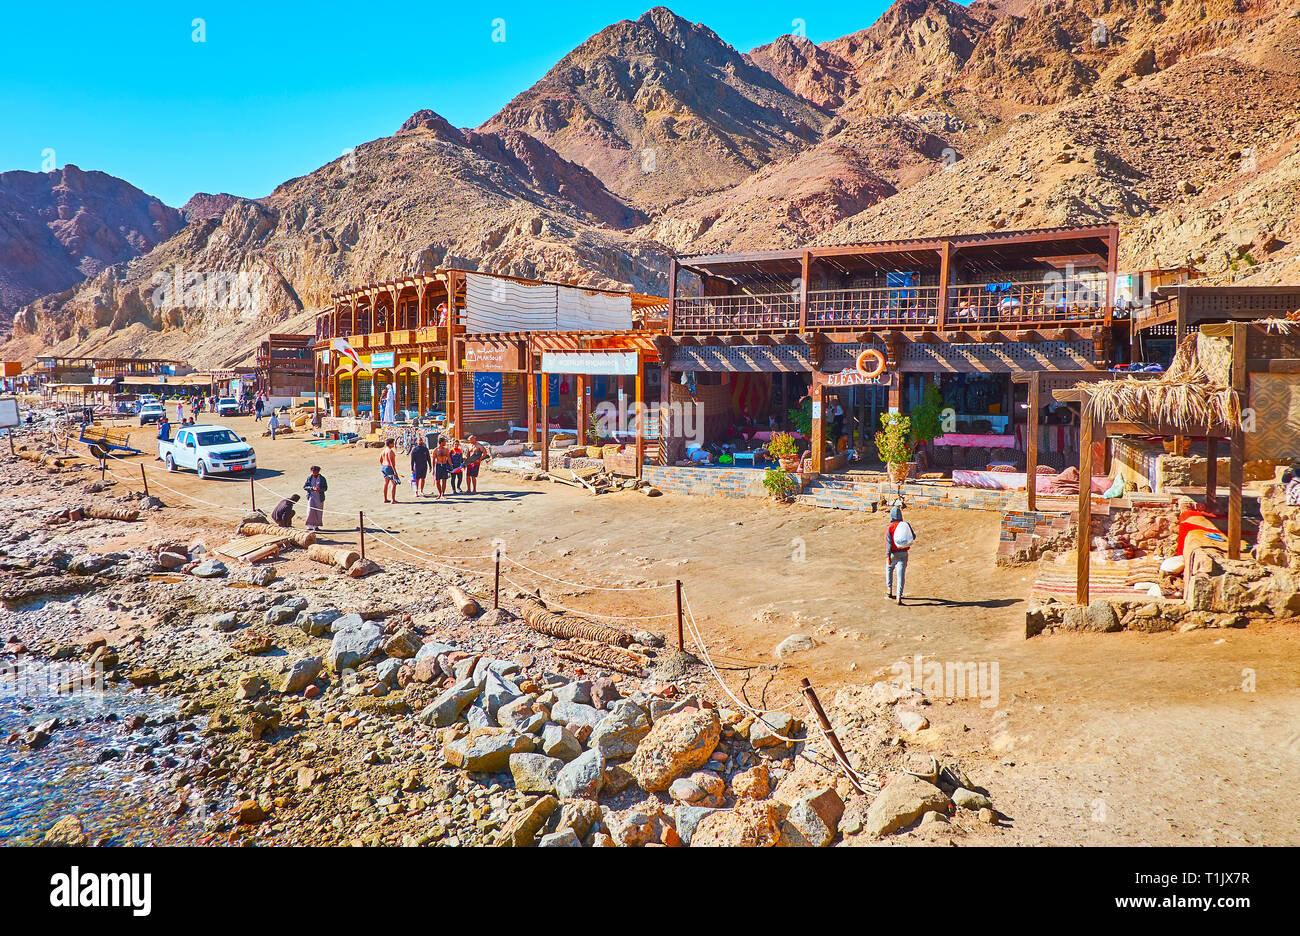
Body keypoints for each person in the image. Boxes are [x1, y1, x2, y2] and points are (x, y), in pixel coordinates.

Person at [886, 505, 915, 605]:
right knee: (900, 576)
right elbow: (913, 536)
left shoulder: (890, 527)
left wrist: (888, 556)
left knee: (889, 570)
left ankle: (889, 590)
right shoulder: (905, 525)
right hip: (904, 553)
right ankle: (898, 597)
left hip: (893, 554)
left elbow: (889, 543)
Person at [303, 466, 327, 530]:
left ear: (318, 471)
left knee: (318, 511)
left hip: (319, 497)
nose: (314, 472)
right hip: (311, 496)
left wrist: (320, 489)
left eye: (315, 471)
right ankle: (309, 526)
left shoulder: (322, 479)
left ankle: (316, 526)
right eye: (313, 471)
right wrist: (311, 488)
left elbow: (325, 488)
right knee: (310, 510)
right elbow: (305, 487)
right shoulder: (309, 478)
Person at [380, 438, 399, 503]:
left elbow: (380, 460)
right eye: (393, 443)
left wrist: (382, 466)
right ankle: (393, 500)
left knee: (386, 483)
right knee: (394, 484)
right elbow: (391, 462)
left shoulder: (383, 451)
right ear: (390, 444)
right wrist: (395, 471)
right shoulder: (390, 451)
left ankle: (385, 499)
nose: (394, 444)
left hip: (384, 467)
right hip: (389, 467)